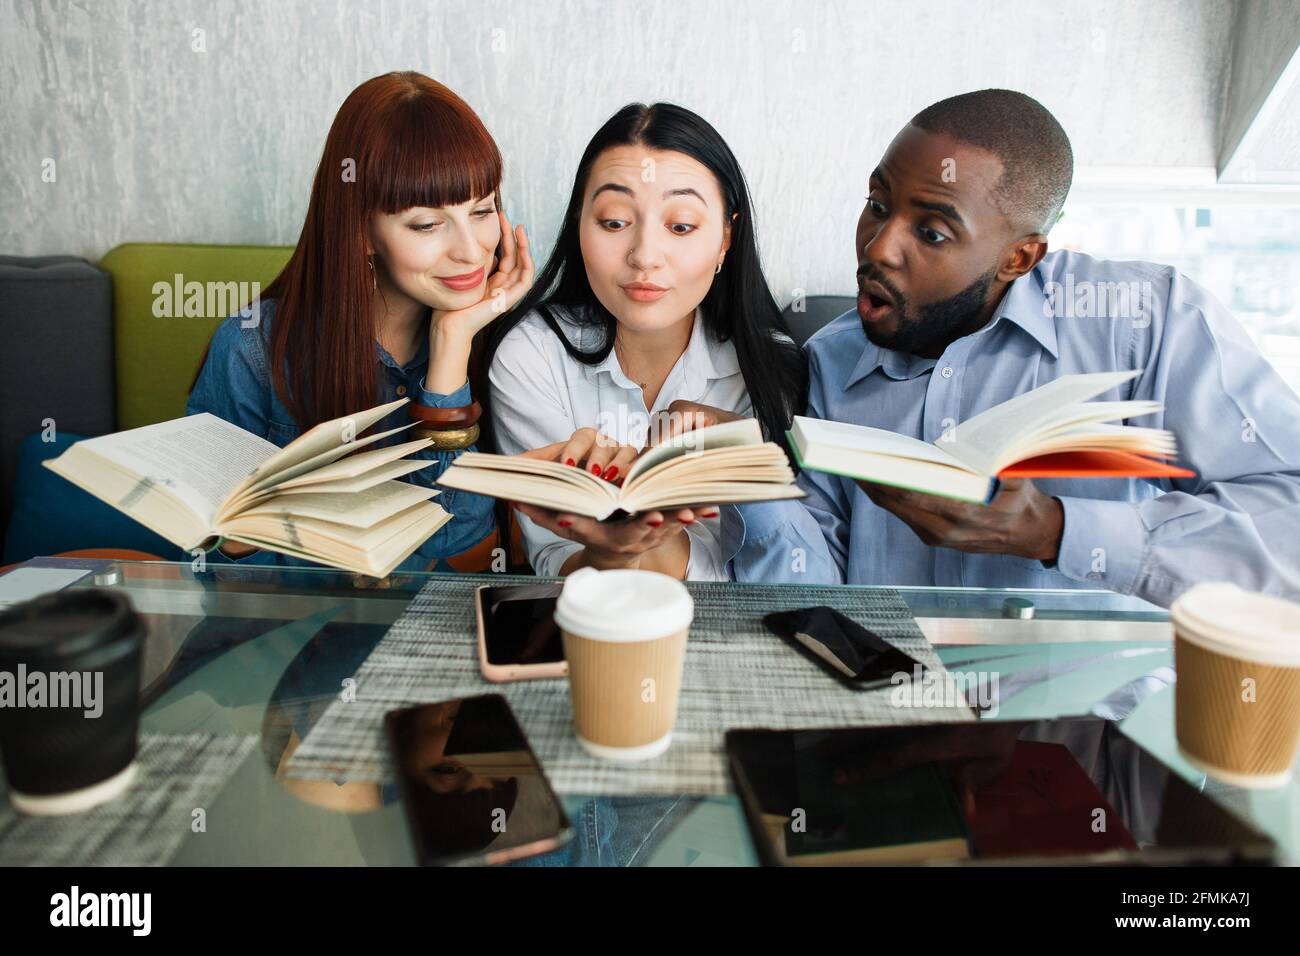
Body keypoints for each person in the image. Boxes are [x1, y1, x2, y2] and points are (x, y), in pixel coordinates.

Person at [725, 89, 1300, 608]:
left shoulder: (1143, 319)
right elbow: (814, 586)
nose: (879, 248)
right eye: (878, 204)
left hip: (1094, 714)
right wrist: (748, 476)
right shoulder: (831, 357)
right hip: (890, 706)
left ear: (1019, 258)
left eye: (931, 232)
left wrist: (1055, 530)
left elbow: (1289, 518)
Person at [187, 71, 533, 573]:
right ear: (361, 230)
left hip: (431, 634)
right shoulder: (252, 349)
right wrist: (237, 536)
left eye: (482, 212)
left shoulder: (509, 342)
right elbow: (206, 568)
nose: (471, 251)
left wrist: (452, 343)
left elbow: (454, 539)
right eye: (428, 224)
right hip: (288, 636)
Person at [482, 102, 806, 579]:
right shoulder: (531, 354)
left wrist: (734, 446)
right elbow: (552, 559)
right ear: (579, 224)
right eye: (615, 222)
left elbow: (760, 573)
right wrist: (612, 550)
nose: (645, 257)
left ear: (724, 240)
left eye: (681, 226)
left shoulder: (766, 364)